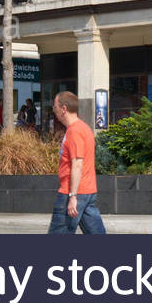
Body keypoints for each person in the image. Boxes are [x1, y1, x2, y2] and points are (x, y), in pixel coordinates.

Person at [47, 91, 105, 234]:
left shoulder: (75, 131)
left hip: (73, 192)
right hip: (88, 191)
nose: (54, 111)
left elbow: (77, 164)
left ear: (64, 109)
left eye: (55, 107)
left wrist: (73, 197)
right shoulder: (84, 128)